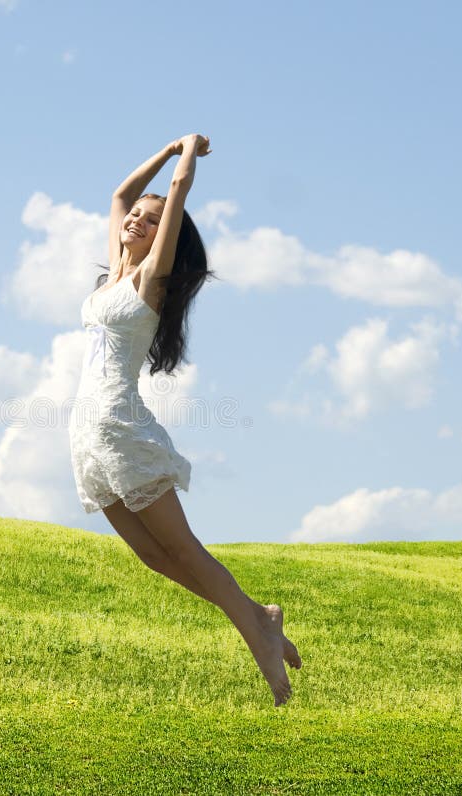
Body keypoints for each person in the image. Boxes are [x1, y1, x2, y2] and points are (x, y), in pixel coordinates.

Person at [68, 134, 302, 707]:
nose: (138, 223)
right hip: (85, 433)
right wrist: (164, 150)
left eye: (151, 222)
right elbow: (121, 192)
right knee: (153, 557)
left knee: (186, 550)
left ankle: (261, 643)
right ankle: (258, 615)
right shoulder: (112, 282)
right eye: (137, 219)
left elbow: (174, 194)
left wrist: (187, 158)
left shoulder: (149, 283)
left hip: (121, 427)